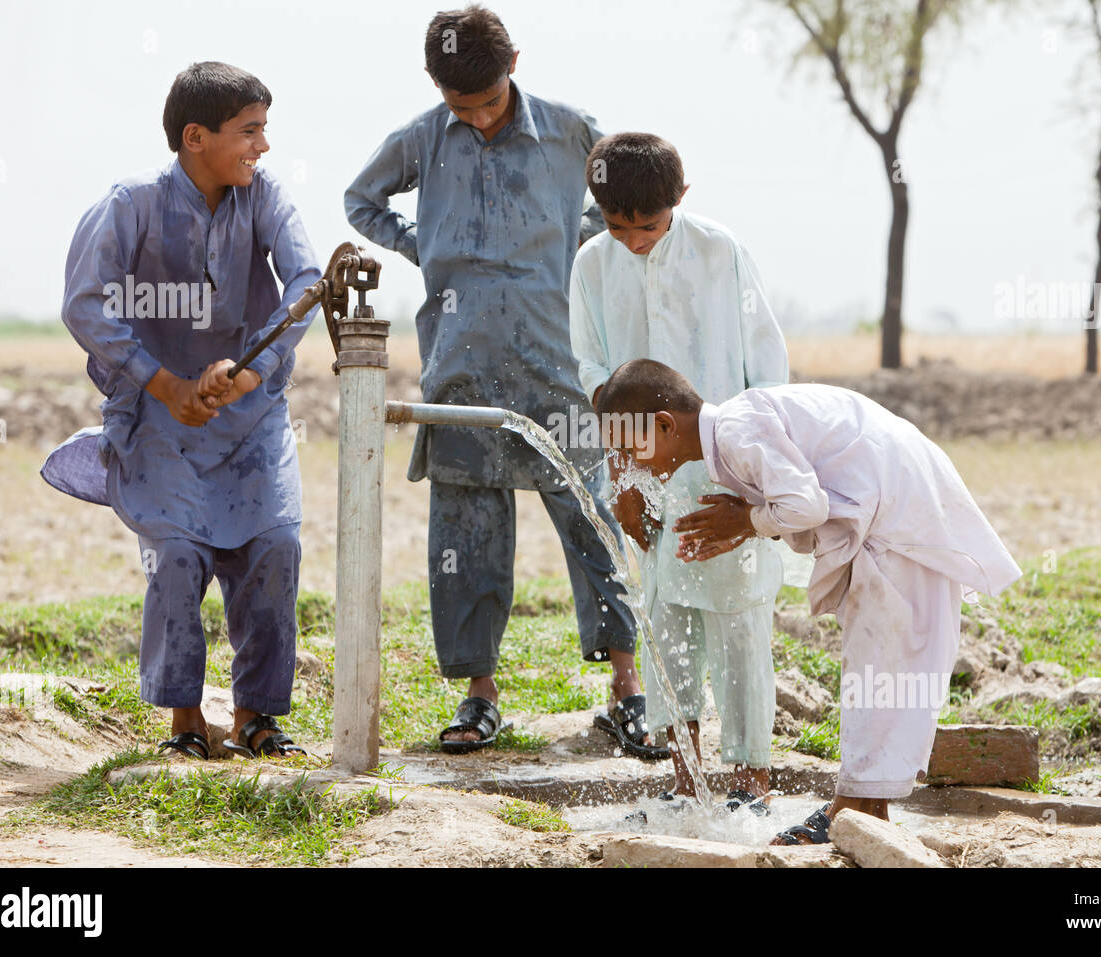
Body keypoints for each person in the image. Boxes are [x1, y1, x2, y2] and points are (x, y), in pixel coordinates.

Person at [343, 5, 663, 756]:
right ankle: (479, 695)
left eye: (488, 99)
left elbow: (617, 205)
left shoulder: (571, 131)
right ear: (435, 87)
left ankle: (629, 688)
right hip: (460, 367)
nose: (479, 116)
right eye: (463, 105)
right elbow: (361, 201)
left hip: (561, 366)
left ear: (514, 62)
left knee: (595, 520)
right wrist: (427, 247)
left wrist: (573, 253)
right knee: (467, 533)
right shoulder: (422, 137)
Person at [593, 359, 1023, 842]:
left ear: (666, 427)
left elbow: (808, 505)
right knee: (885, 666)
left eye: (630, 450)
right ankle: (863, 811)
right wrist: (746, 522)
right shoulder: (732, 431)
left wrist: (748, 522)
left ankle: (849, 810)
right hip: (892, 499)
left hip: (896, 508)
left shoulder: (735, 431)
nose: (629, 466)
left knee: (881, 663)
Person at [41, 61, 322, 761]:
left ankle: (256, 716)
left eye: (264, 130)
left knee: (275, 547)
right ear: (196, 137)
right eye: (249, 132)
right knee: (176, 555)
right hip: (162, 421)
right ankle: (186, 720)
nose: (262, 146)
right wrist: (162, 383)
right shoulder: (129, 205)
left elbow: (309, 282)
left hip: (251, 419)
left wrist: (254, 370)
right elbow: (84, 302)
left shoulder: (264, 200)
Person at [569, 133, 789, 810]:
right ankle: (686, 781)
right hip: (646, 470)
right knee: (666, 620)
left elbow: (765, 365)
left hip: (729, 466)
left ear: (680, 200)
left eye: (650, 226)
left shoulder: (720, 252)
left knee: (743, 626)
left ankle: (752, 782)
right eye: (618, 226)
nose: (634, 241)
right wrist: (623, 481)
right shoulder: (591, 266)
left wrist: (756, 478)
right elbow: (596, 377)